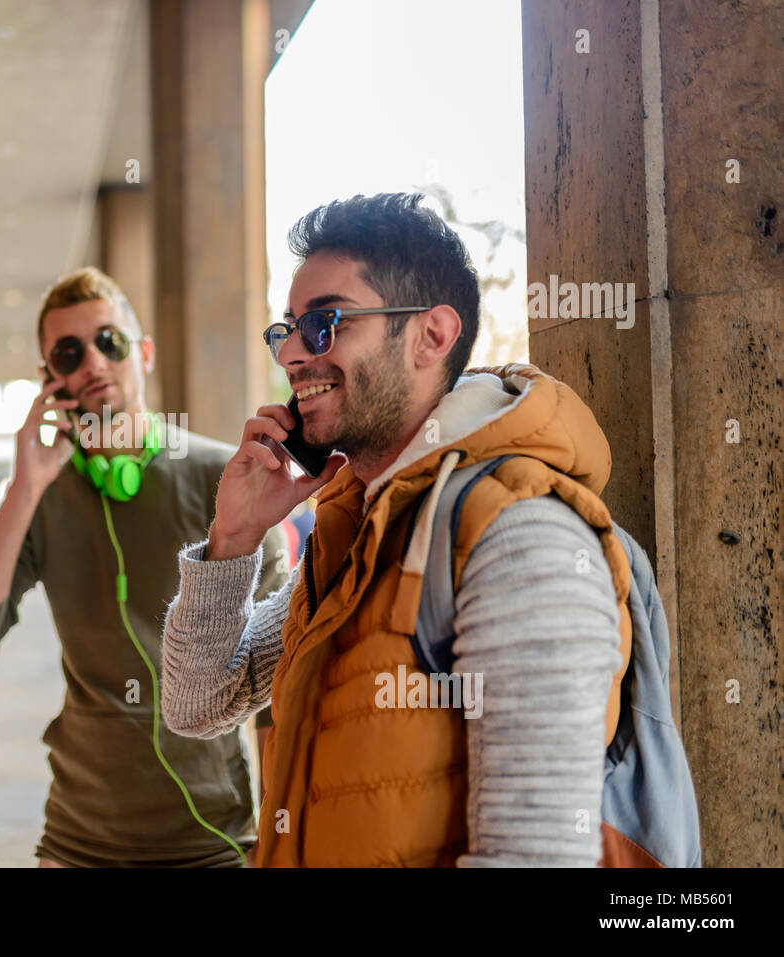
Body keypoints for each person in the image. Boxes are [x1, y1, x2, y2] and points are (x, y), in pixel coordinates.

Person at [161, 193, 630, 867]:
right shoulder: (355, 538)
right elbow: (196, 703)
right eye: (286, 329)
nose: (292, 353)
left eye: (324, 323)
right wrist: (231, 539)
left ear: (431, 336)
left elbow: (536, 854)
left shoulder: (518, 538)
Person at [0, 266, 289, 867]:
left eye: (109, 341)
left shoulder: (225, 479)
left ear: (144, 353)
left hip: (213, 837)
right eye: (69, 353)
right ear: (51, 381)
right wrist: (25, 488)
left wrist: (278, 830)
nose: (93, 363)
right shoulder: (41, 497)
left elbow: (282, 673)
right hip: (79, 836)